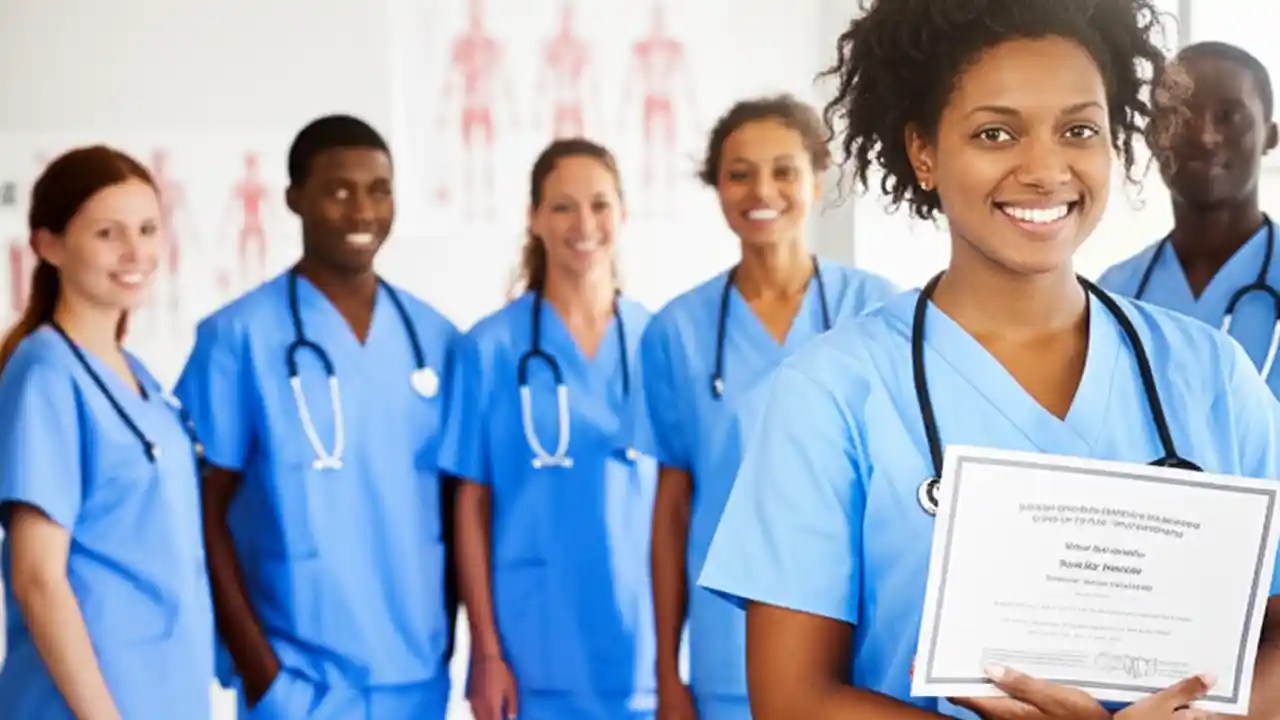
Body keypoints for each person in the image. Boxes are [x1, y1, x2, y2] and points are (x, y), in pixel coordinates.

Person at [695, 0, 1280, 718]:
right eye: (995, 132)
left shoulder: (1211, 376)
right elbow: (792, 697)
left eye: (1079, 130)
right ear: (924, 152)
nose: (1044, 168)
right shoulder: (833, 392)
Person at [173, 115, 460, 719]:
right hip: (299, 683)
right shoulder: (238, 339)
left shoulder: (436, 341)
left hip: (416, 680)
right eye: (339, 190)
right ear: (294, 199)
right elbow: (201, 511)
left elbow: (462, 508)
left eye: (379, 190)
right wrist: (261, 674)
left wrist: (450, 647)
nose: (363, 211)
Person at [637, 95, 897, 720]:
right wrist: (668, 674)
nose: (762, 190)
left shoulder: (879, 311)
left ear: (817, 177)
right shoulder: (678, 330)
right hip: (728, 648)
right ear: (717, 187)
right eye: (739, 172)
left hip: (861, 647)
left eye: (783, 170)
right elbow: (672, 513)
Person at [441, 138, 658, 720]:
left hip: (648, 652)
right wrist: (484, 652)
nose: (583, 224)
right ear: (534, 218)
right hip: (533, 652)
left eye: (599, 204)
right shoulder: (488, 348)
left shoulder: (658, 342)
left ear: (623, 213)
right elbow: (472, 503)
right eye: (562, 206)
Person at [0, 146, 213, 718]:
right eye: (107, 233)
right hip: (86, 705)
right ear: (48, 245)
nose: (136, 251)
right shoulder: (46, 374)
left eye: (147, 229)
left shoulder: (138, 377)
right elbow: (38, 578)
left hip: (163, 694)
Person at [1098, 42, 1280, 395]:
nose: (1204, 136)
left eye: (1229, 115)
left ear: (1270, 136)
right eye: (1179, 117)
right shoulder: (1115, 293)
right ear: (1152, 136)